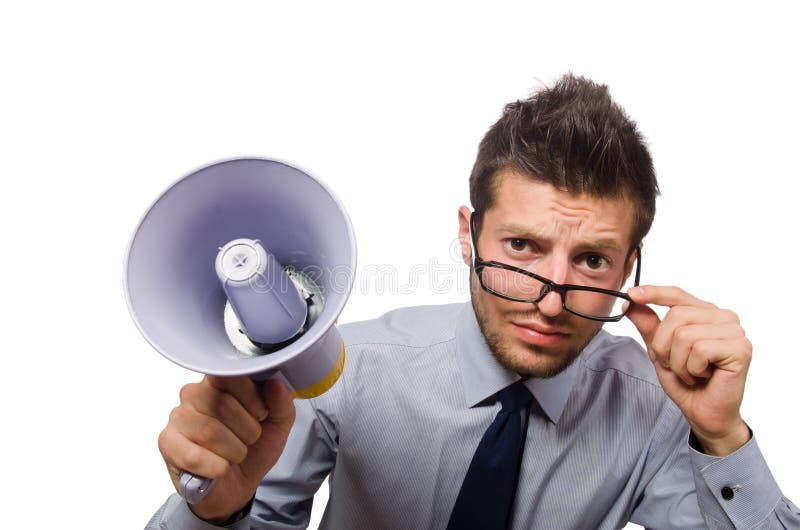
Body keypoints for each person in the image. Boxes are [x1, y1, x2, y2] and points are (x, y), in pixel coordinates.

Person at [148, 74, 799, 529]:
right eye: (522, 247)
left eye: (592, 260)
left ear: (630, 267)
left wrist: (723, 436)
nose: (551, 304)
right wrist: (216, 515)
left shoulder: (655, 409)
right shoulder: (345, 371)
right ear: (468, 235)